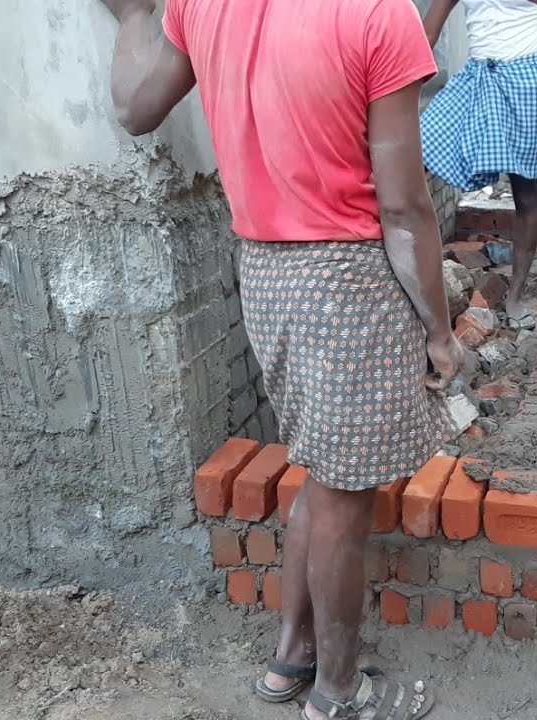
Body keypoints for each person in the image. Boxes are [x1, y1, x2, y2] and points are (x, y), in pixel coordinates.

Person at [97, 0, 464, 717]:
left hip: (263, 269)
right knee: (344, 497)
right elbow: (403, 209)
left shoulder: (202, 7)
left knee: (321, 478)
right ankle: (337, 690)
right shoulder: (378, 15)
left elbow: (136, 109)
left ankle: (292, 658)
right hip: (347, 276)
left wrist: (135, 15)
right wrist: (439, 330)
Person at [421, 0, 537, 330]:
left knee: (526, 194)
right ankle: (417, 279)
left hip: (525, 80)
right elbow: (427, 35)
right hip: (475, 76)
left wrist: (534, 64)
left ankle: (516, 296)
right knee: (420, 155)